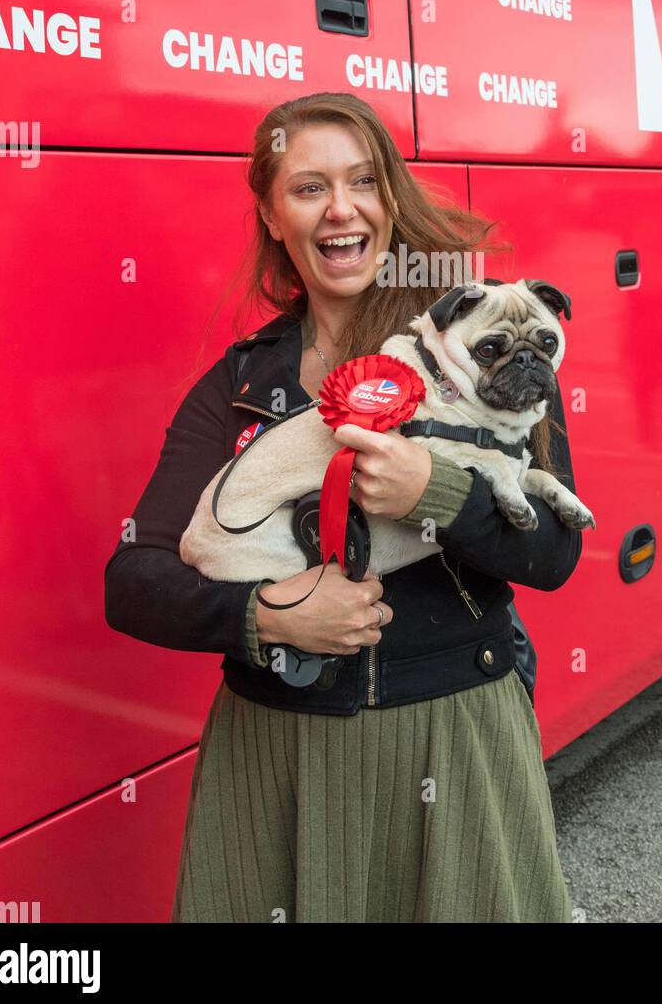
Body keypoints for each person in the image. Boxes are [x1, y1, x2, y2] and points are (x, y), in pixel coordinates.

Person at [104, 91, 585, 923]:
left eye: (363, 181)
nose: (341, 209)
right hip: (281, 753)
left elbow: (551, 556)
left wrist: (433, 492)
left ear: (390, 197)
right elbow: (133, 579)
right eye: (308, 187)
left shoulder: (480, 343)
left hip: (457, 737)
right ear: (271, 212)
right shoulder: (240, 386)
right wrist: (269, 613)